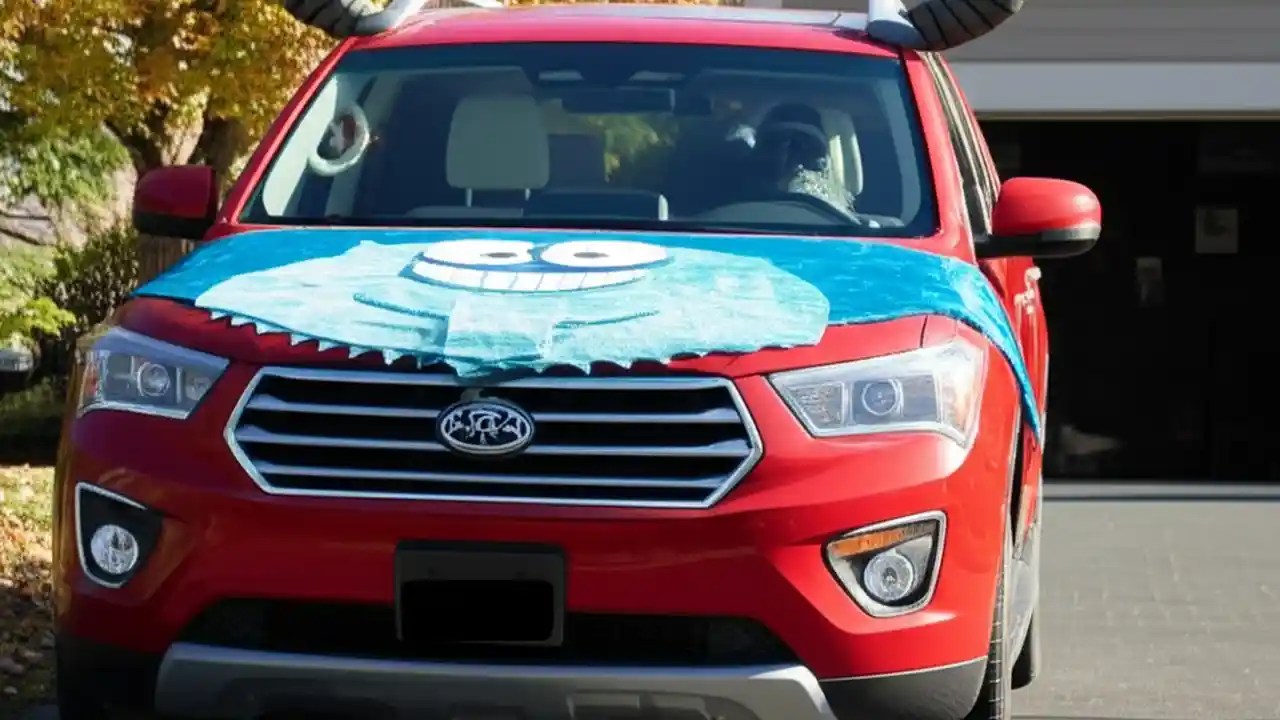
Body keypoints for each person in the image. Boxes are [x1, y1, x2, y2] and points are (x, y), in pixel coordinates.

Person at [747, 103, 855, 214]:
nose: (794, 162)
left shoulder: (846, 223)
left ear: (824, 163)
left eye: (807, 148)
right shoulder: (736, 209)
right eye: (775, 144)